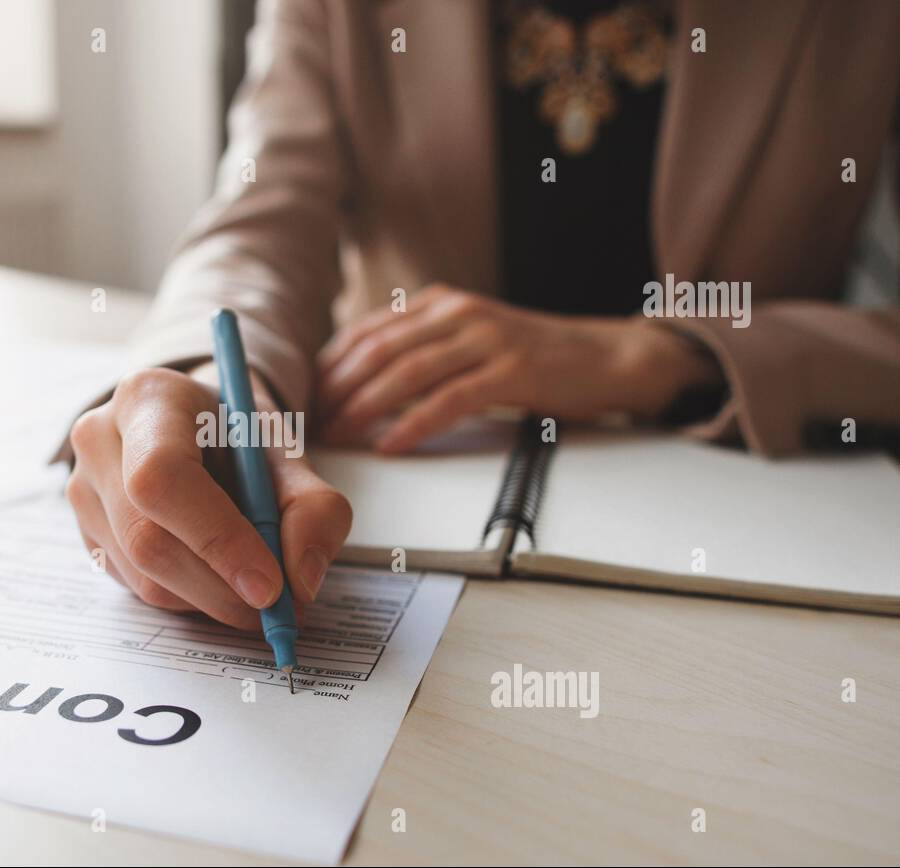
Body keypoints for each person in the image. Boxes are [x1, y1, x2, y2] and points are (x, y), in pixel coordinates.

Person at [66, 0, 900, 629]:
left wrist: (671, 352)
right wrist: (207, 380)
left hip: (763, 539)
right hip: (420, 496)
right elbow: (258, 224)